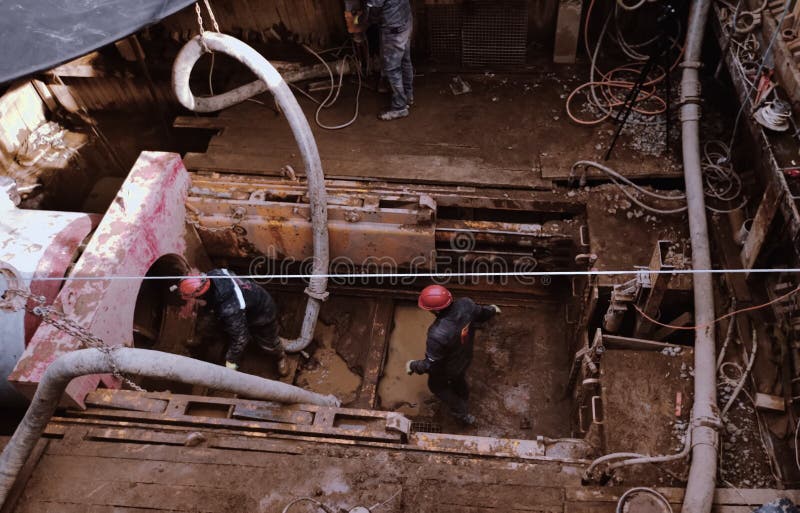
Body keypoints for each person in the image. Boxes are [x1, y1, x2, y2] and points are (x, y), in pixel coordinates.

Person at [406, 285, 500, 425]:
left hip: (447, 368)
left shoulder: (437, 334)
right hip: (464, 358)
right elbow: (481, 313)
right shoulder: (466, 304)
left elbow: (431, 364)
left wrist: (413, 365)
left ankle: (461, 413)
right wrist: (492, 309)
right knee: (458, 378)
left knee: (437, 387)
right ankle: (463, 395)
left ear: (435, 310)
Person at [178, 269, 289, 377]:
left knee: (269, 343)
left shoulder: (230, 309)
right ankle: (202, 340)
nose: (191, 300)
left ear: (200, 295)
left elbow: (241, 338)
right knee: (207, 323)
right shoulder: (214, 274)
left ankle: (280, 356)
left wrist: (231, 362)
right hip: (243, 303)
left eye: (192, 298)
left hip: (262, 314)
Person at [365, 0, 414, 120]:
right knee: (405, 60)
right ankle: (408, 95)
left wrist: (366, 19)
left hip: (393, 29)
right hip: (405, 20)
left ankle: (400, 107)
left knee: (392, 69)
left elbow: (374, 11)